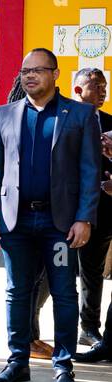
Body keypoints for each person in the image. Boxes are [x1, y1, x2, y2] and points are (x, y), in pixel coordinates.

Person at [0, 48, 101, 382]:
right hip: (16, 223)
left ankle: (63, 365)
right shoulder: (4, 115)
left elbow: (89, 172)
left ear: (55, 74)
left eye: (37, 70)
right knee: (16, 292)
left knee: (64, 292)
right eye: (24, 71)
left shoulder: (79, 115)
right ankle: (18, 361)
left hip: (59, 224)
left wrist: (84, 218)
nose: (29, 76)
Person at [69, 67, 112, 350]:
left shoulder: (110, 121)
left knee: (93, 271)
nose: (102, 91)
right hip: (70, 210)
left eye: (105, 86)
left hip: (105, 209)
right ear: (78, 90)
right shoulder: (65, 119)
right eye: (96, 85)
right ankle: (32, 329)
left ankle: (89, 328)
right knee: (51, 275)